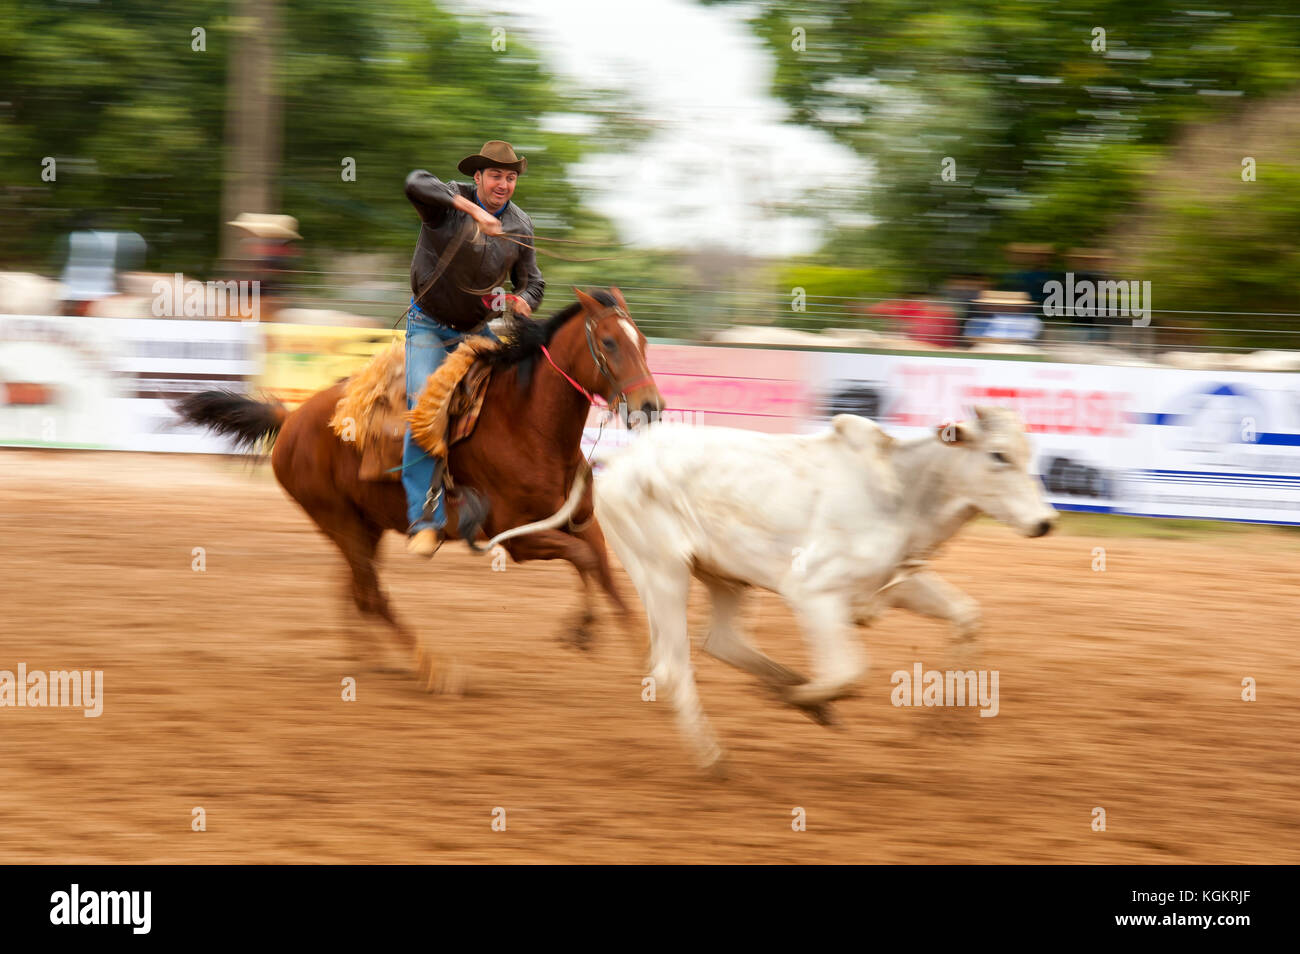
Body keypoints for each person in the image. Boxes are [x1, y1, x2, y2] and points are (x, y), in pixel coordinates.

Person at [401, 140, 545, 557]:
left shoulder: (521, 225)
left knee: (517, 398)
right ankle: (424, 520)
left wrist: (523, 302)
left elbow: (532, 282)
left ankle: (506, 508)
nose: (504, 184)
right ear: (477, 178)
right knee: (425, 406)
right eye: (496, 176)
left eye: (511, 177)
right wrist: (474, 212)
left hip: (478, 329)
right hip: (428, 325)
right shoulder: (447, 200)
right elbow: (414, 182)